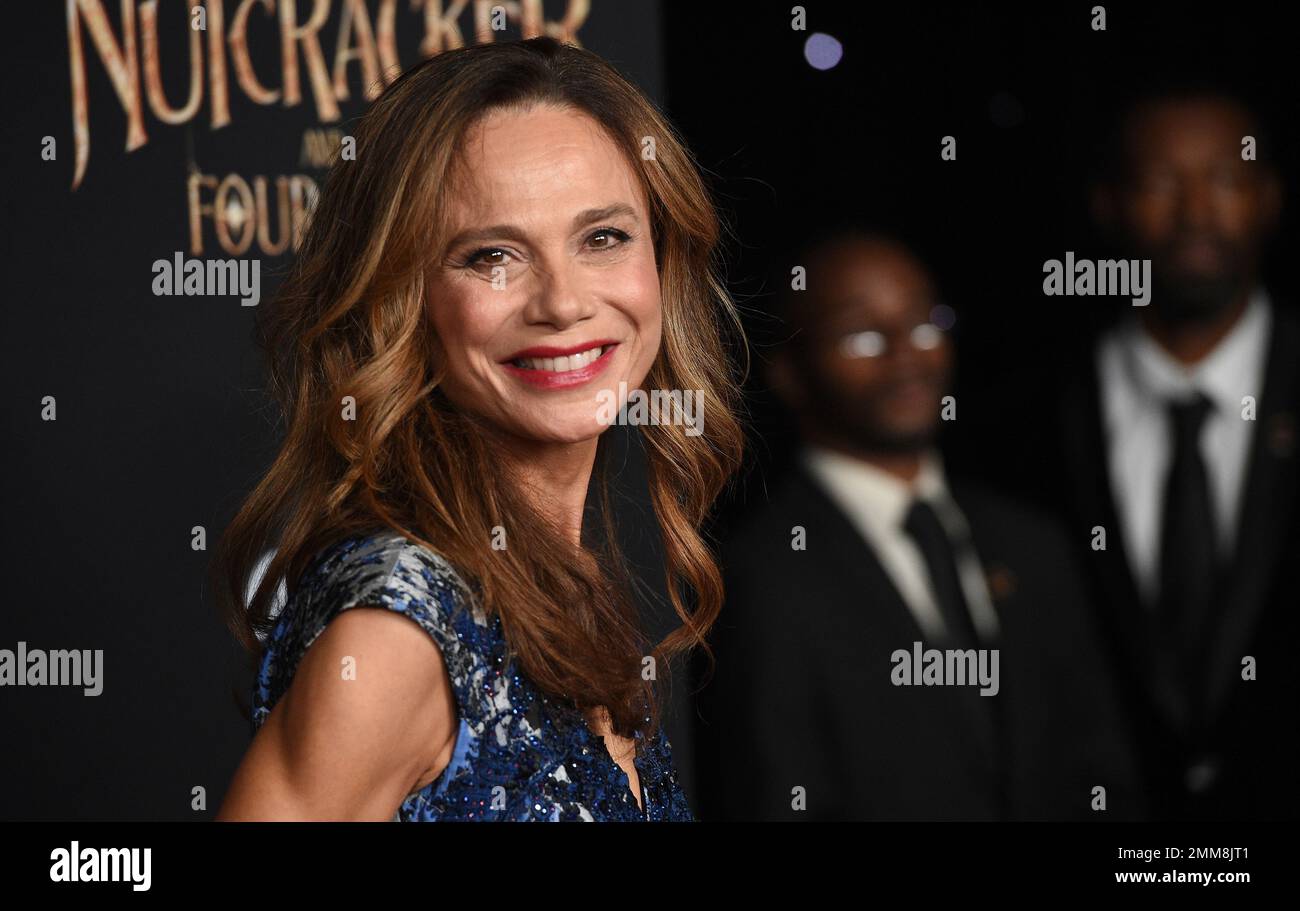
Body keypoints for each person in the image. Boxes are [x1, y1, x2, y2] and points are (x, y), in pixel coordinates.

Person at [212, 36, 744, 822]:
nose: (562, 302)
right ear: (401, 295)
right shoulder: (400, 627)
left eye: (603, 237)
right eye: (492, 255)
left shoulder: (567, 577)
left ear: (662, 260)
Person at [693, 230, 1143, 820]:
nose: (906, 353)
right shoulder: (758, 577)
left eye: (925, 323)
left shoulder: (1033, 545)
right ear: (790, 373)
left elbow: (1104, 769)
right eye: (861, 334)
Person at [1043, 80, 1300, 819]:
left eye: (1224, 178)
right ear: (1107, 203)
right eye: (1160, 182)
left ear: (1269, 197)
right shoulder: (1026, 418)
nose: (1194, 212)